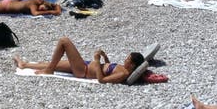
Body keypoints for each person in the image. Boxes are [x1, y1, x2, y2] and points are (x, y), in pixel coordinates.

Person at [13, 37, 144, 83]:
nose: (125, 59)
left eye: (128, 59)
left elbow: (102, 80)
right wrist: (104, 57)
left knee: (64, 41)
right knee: (52, 64)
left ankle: (48, 71)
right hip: (85, 65)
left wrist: (97, 60)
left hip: (83, 71)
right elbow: (107, 68)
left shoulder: (123, 73)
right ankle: (24, 65)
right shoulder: (123, 68)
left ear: (132, 65)